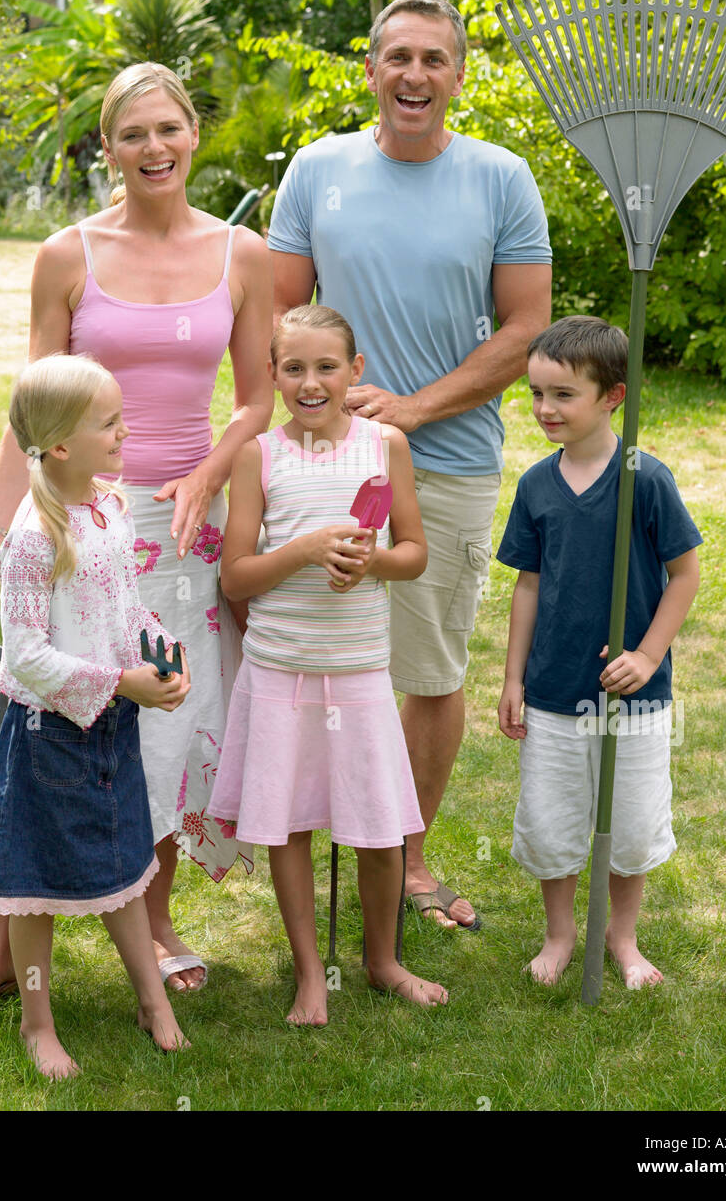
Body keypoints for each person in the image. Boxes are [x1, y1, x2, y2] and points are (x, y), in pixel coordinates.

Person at [0, 62, 274, 1019]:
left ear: (193, 134)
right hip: (73, 524)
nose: (154, 149)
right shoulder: (66, 255)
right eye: (133, 135)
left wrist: (211, 470)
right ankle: (2, 947)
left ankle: (154, 926)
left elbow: (256, 399)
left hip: (181, 530)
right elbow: (29, 413)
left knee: (159, 724)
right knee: (41, 719)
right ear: (109, 148)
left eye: (168, 129)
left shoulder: (241, 253)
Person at [269, 0, 553, 929]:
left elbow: (526, 328)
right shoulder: (317, 171)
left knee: (428, 671)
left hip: (452, 464)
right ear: (370, 70)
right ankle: (311, 841)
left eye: (433, 59)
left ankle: (412, 858)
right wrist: (312, 412)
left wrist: (412, 410)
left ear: (459, 74)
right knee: (315, 657)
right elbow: (275, 323)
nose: (414, 76)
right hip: (321, 465)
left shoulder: (501, 178)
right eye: (397, 58)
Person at [211, 305, 447, 1024]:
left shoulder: (385, 445)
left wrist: (371, 560)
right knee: (289, 825)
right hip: (281, 670)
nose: (310, 383)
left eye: (325, 368)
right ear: (273, 374)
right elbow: (236, 577)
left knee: (378, 826)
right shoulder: (258, 454)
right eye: (293, 368)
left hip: (357, 669)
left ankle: (382, 961)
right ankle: (310, 971)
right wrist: (306, 550)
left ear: (355, 372)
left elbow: (413, 554)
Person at [0, 355, 192, 1078]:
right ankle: (38, 1023)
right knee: (33, 887)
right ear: (62, 444)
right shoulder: (34, 538)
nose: (124, 431)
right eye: (110, 423)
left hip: (109, 728)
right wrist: (118, 682)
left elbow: (123, 607)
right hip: (47, 738)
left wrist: (160, 651)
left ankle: (150, 1000)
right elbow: (27, 655)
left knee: (123, 860)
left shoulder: (109, 506)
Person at [496, 316, 702, 988]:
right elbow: (527, 586)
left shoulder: (645, 479)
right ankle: (559, 936)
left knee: (631, 822)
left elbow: (684, 573)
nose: (544, 409)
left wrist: (645, 655)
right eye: (535, 394)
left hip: (630, 695)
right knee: (552, 821)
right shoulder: (533, 485)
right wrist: (512, 679)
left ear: (612, 396)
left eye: (562, 395)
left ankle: (622, 938)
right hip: (553, 686)